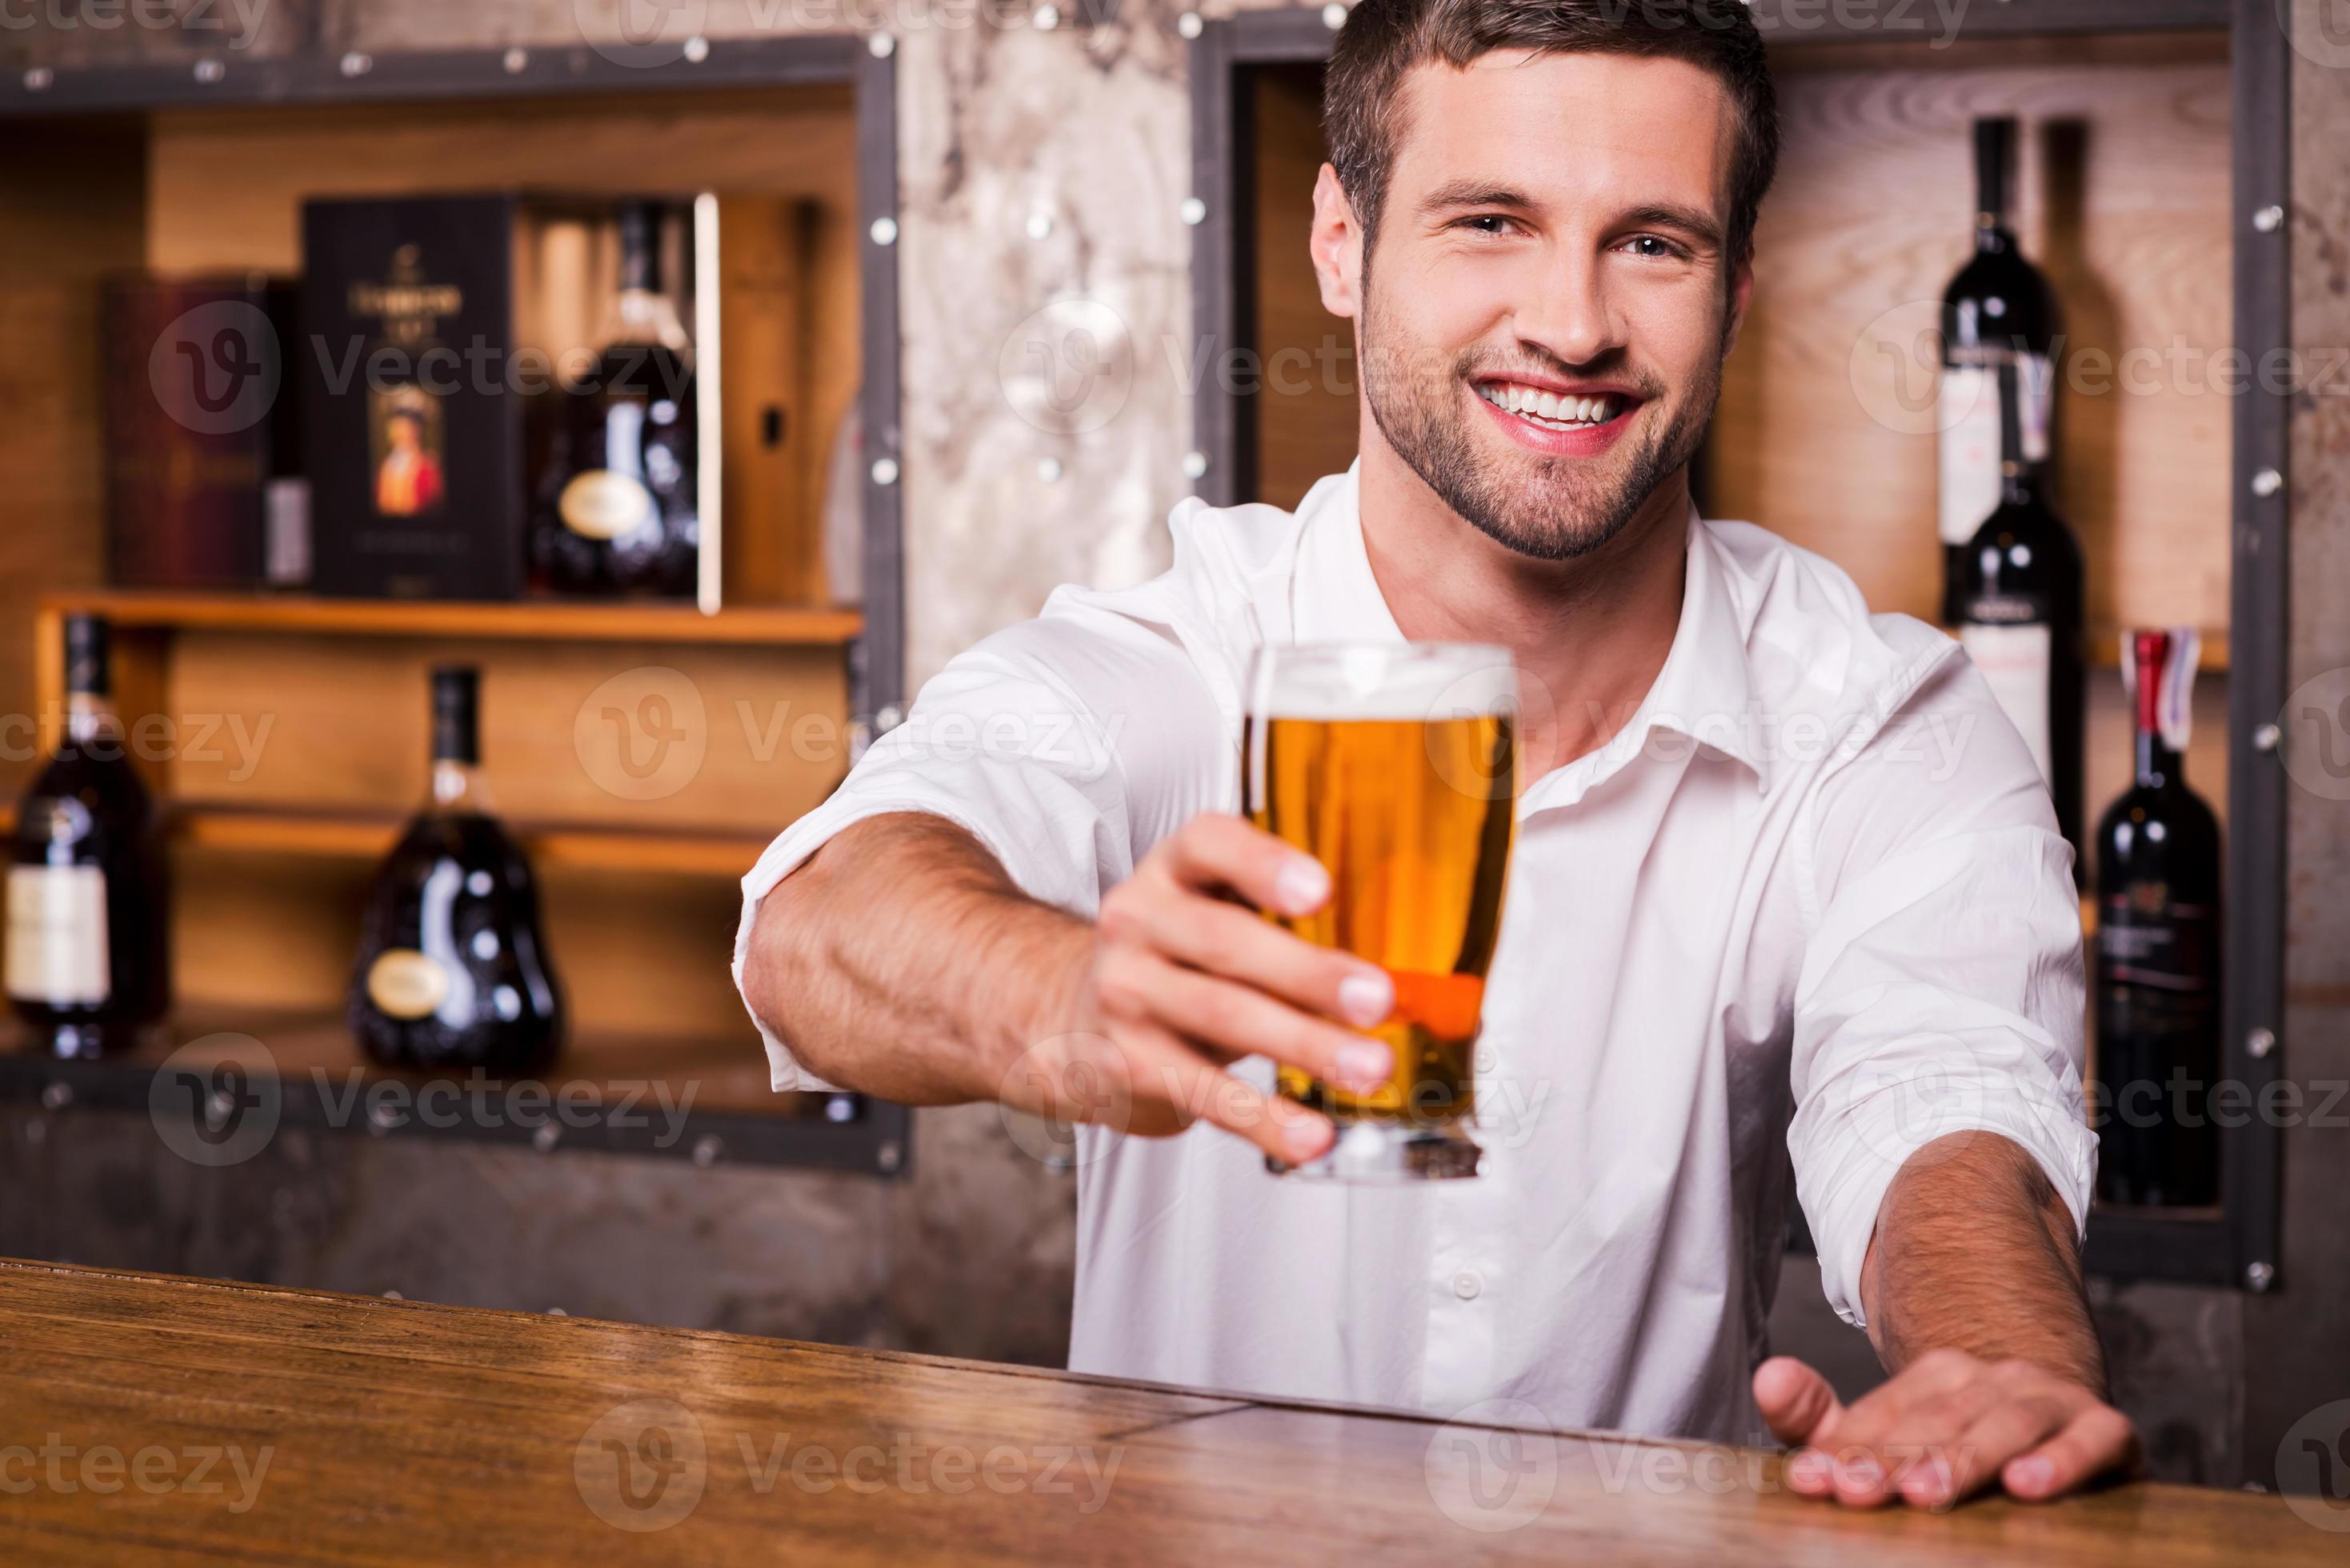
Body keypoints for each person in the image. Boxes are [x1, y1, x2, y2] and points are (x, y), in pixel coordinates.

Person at [735, 0, 2132, 1511]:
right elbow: (819, 924)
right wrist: (1057, 1000)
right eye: (1489, 221)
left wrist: (1996, 1363)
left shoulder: (1871, 716)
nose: (1574, 323)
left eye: (1651, 243)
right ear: (1342, 241)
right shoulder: (1183, 656)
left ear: (1734, 291)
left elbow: (1950, 1112)